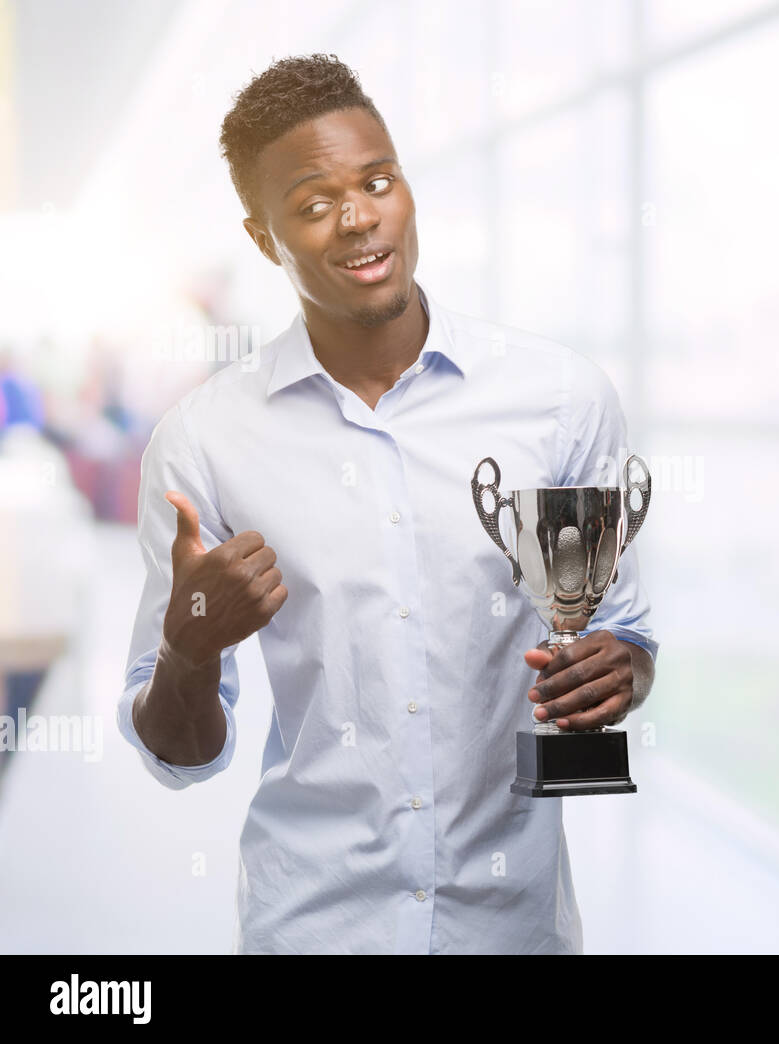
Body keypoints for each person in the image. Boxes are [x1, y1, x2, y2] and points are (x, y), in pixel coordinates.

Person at [117, 54, 658, 955]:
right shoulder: (202, 441)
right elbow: (178, 752)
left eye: (378, 181)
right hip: (314, 924)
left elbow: (628, 640)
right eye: (314, 202)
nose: (359, 218)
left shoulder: (560, 398)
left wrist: (620, 673)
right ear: (265, 239)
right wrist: (186, 647)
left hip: (512, 925)